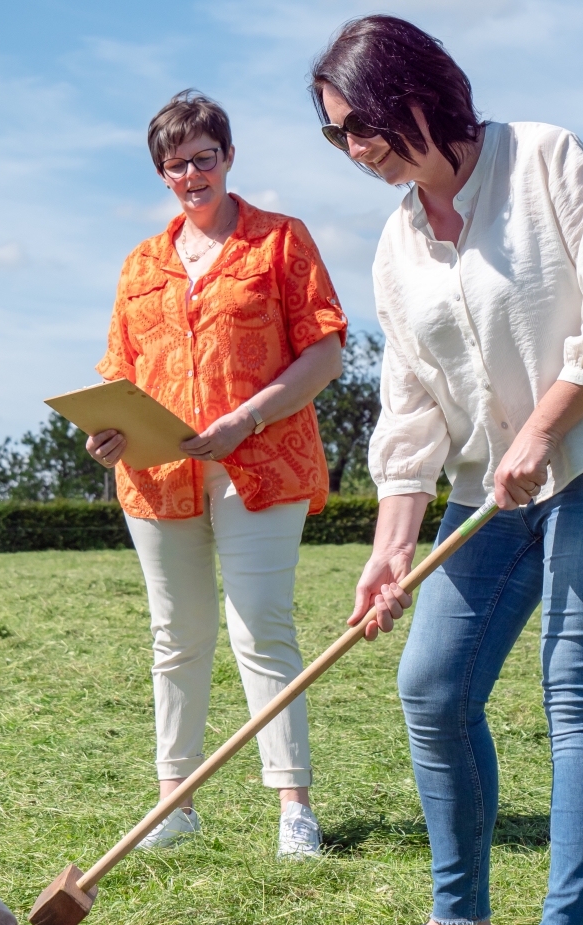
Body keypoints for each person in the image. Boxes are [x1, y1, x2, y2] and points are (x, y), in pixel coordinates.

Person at [312, 17, 583, 925]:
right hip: (493, 494)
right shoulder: (397, 247)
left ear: (422, 94)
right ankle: (461, 923)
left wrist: (543, 429)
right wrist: (389, 551)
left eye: (365, 125)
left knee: (576, 691)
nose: (356, 149)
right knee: (431, 690)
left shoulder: (546, 159)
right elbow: (411, 412)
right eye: (337, 136)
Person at [88, 90, 348, 858]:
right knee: (176, 636)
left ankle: (293, 807)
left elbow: (326, 352)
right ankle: (176, 804)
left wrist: (247, 418)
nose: (193, 173)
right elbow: (117, 373)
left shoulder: (281, 241)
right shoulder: (141, 263)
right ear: (162, 175)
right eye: (177, 164)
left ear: (229, 158)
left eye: (206, 157)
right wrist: (107, 434)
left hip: (263, 465)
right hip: (156, 479)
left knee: (261, 626)